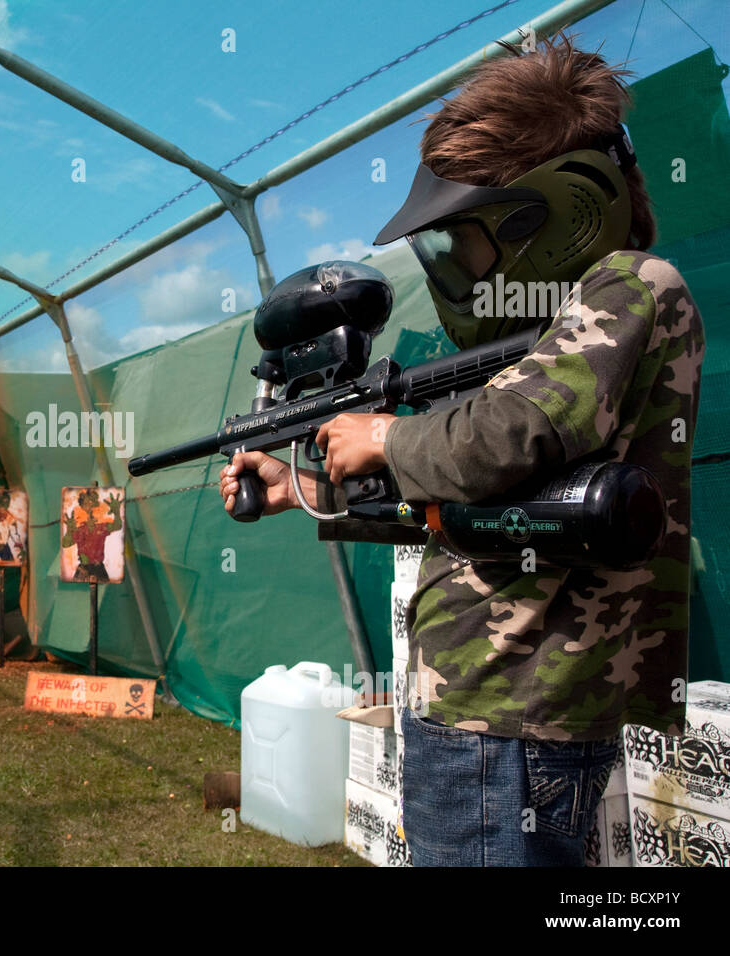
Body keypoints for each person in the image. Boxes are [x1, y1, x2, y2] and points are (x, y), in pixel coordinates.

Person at [219, 35, 704, 866]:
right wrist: (303, 477)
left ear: (557, 210)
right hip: (482, 706)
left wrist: (387, 437)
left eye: (466, 237)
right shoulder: (548, 337)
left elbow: (507, 439)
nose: (456, 264)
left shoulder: (629, 284)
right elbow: (457, 509)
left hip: (513, 708)